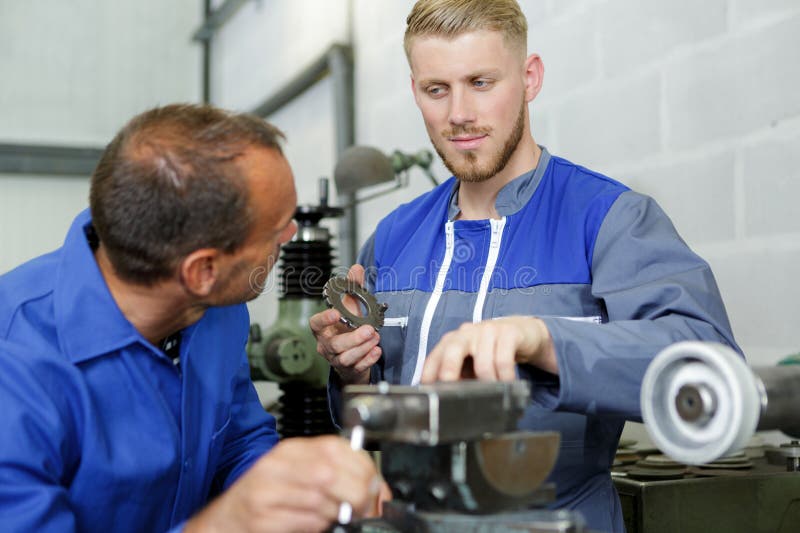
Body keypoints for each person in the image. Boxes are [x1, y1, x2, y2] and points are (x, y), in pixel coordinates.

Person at [310, 1, 740, 531]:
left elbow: (712, 365)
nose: (458, 113)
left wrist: (542, 339)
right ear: (415, 91)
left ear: (529, 77)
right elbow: (371, 414)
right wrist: (351, 371)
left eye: (482, 82)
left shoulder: (608, 220)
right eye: (436, 89)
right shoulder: (394, 236)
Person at [0, 104, 384, 533]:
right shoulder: (15, 363)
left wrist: (298, 489)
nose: (291, 234)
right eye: (276, 228)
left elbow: (238, 439)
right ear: (202, 271)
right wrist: (225, 524)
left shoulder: (216, 309)